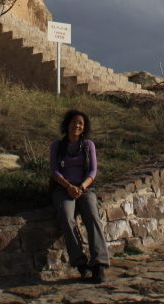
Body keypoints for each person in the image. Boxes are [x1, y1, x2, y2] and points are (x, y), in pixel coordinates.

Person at [49, 109, 109, 283]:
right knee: (66, 218)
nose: (77, 126)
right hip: (63, 188)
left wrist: (80, 187)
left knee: (92, 215)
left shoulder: (88, 145)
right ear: (67, 124)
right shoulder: (58, 146)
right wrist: (68, 186)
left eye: (80, 124)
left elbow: (93, 171)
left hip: (84, 188)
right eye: (74, 122)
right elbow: (54, 171)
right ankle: (80, 263)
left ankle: (99, 263)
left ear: (84, 128)